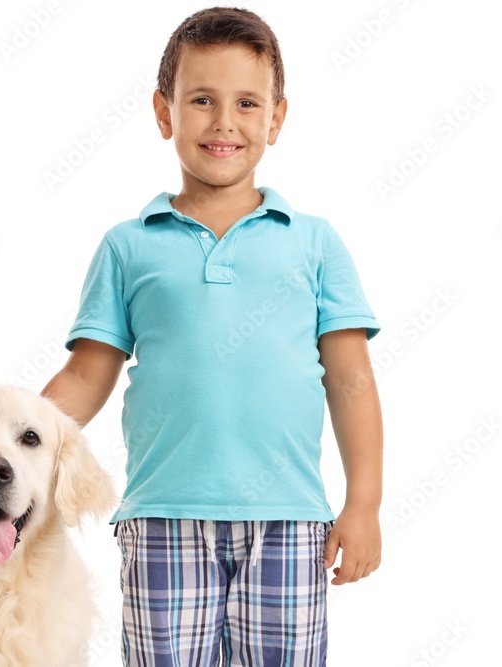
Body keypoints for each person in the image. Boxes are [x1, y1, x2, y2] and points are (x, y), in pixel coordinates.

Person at [41, 7, 383, 665]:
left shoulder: (315, 243)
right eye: (201, 100)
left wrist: (362, 502)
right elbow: (86, 375)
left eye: (247, 103)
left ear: (276, 118)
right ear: (164, 112)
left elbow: (351, 380)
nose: (224, 121)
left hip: (289, 520)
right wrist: (13, 442)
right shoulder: (128, 246)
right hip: (162, 517)